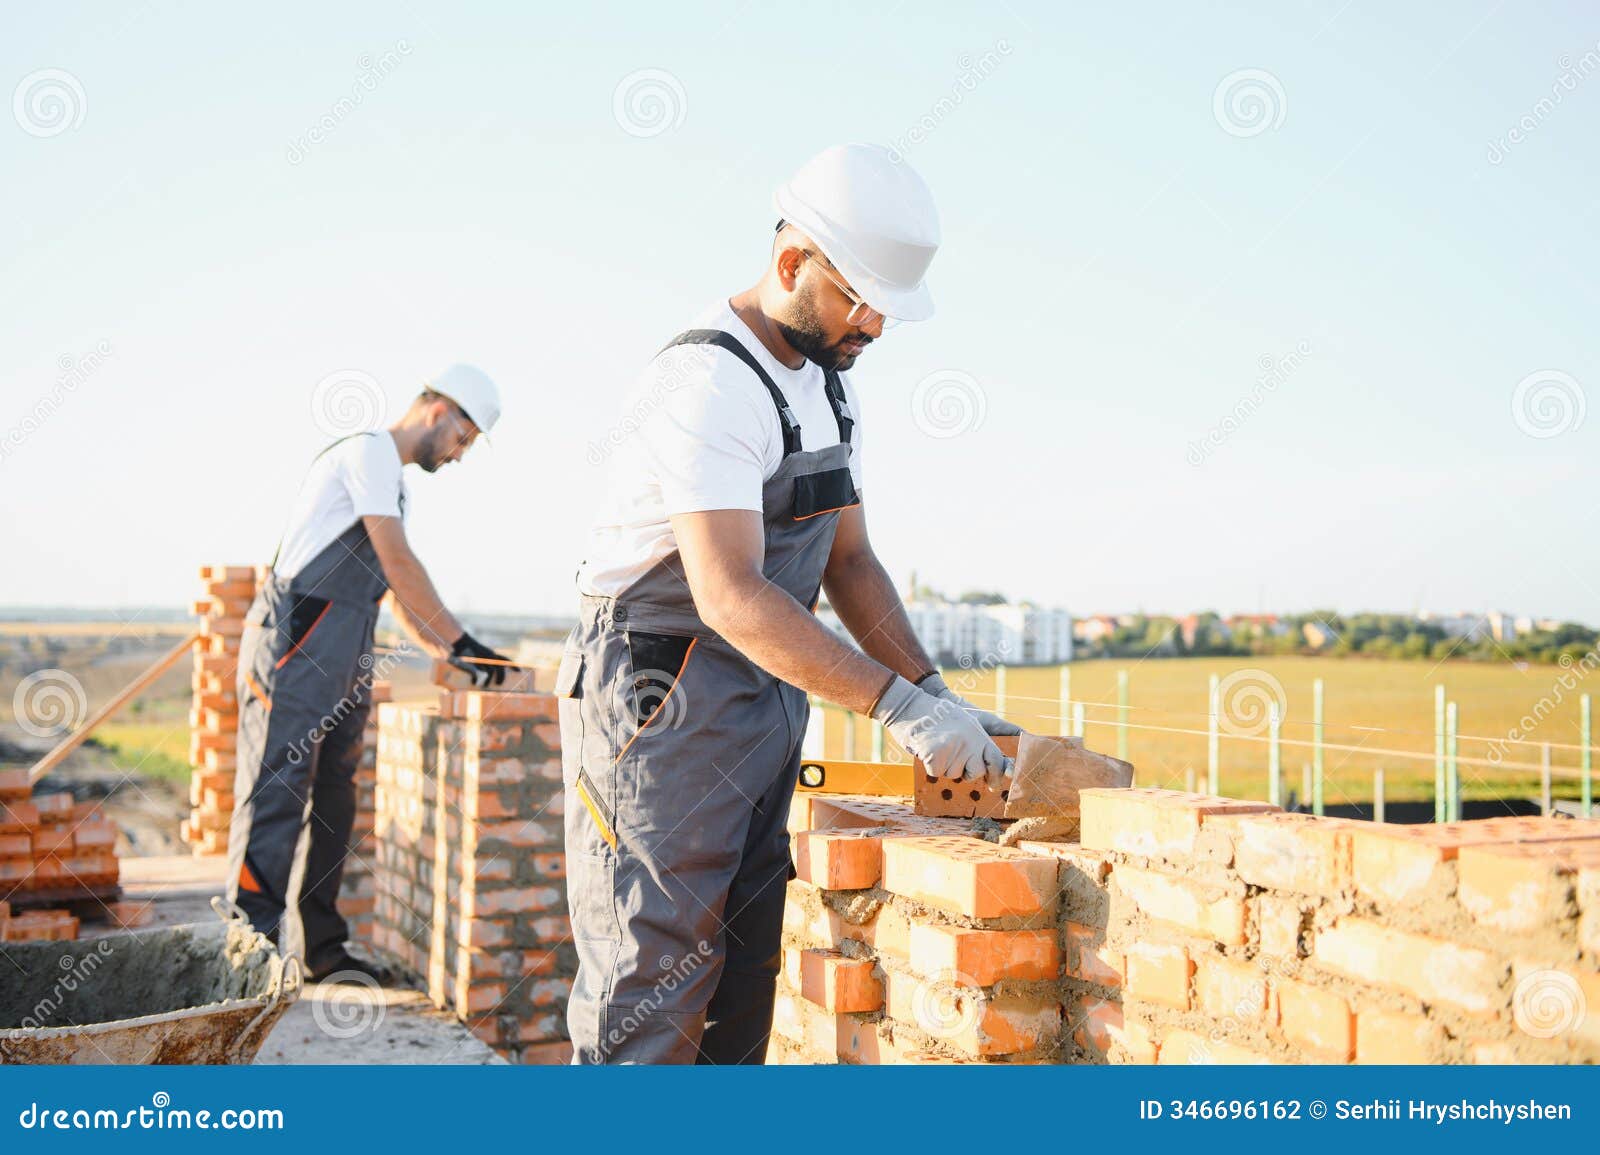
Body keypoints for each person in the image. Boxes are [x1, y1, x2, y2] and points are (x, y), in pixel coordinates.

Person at [559, 144, 1019, 1062]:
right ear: (789, 263)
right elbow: (729, 594)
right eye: (859, 298)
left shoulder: (827, 383)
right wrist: (895, 709)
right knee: (649, 984)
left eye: (887, 307)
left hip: (761, 700)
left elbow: (849, 561)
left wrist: (933, 687)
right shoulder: (710, 383)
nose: (876, 326)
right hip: (662, 704)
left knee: (738, 977)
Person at [226, 366, 518, 984]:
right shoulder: (365, 454)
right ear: (439, 410)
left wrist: (454, 656)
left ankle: (322, 951)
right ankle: (245, 958)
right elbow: (398, 559)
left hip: (345, 647)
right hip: (295, 641)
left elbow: (392, 591)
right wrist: (460, 636)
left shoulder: (395, 485)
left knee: (335, 797)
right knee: (276, 792)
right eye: (465, 439)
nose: (461, 456)